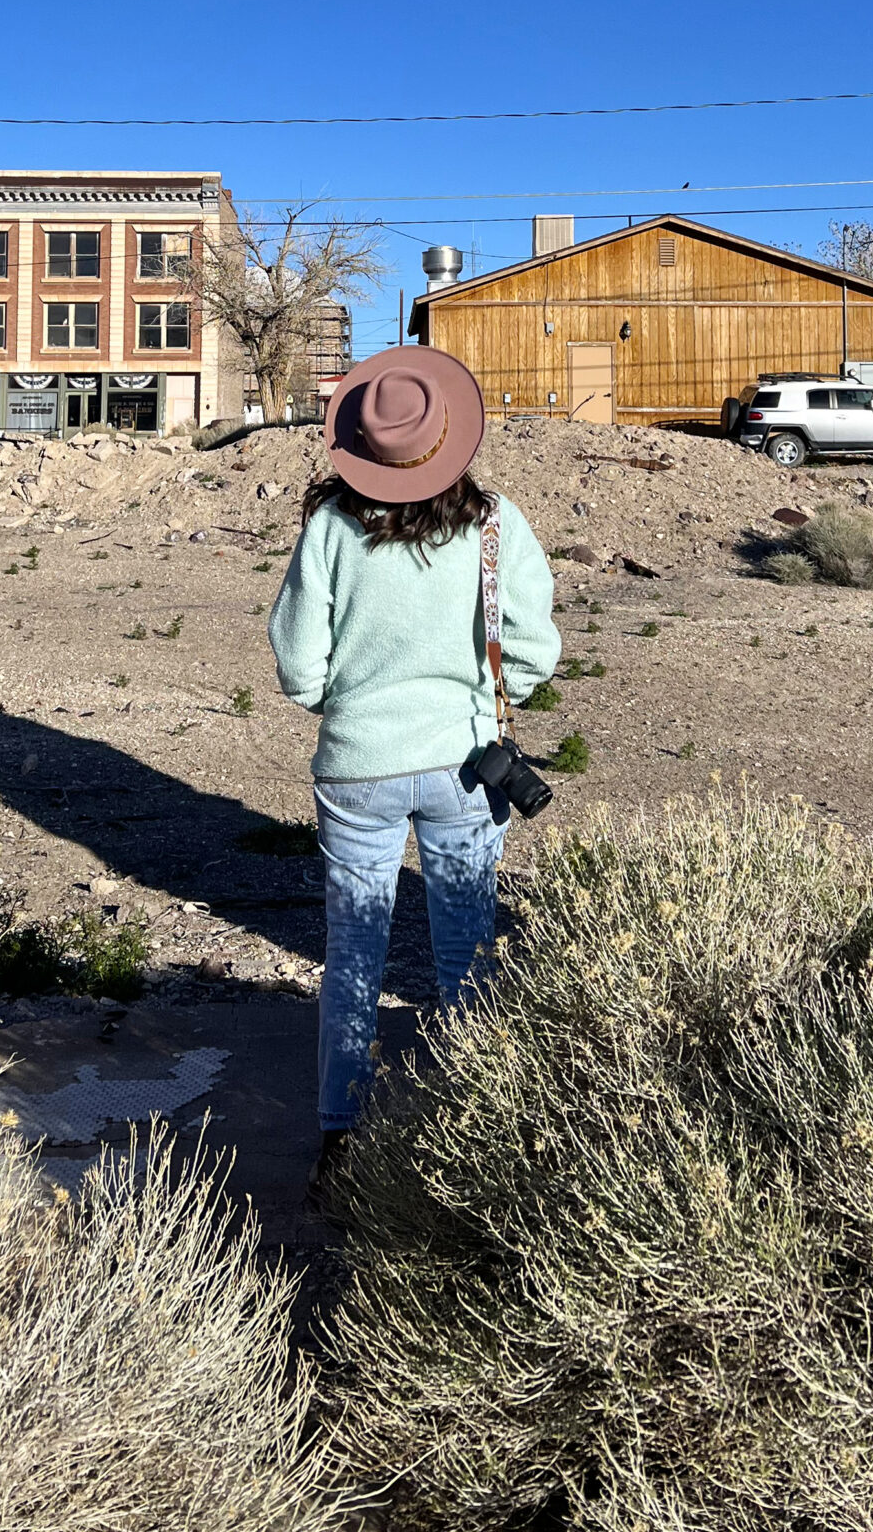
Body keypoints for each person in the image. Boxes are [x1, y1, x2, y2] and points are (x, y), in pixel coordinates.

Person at [268, 347, 560, 1185]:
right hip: (466, 763)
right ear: (450, 438)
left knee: (353, 952)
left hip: (357, 768)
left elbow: (298, 665)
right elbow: (535, 651)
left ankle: (341, 1139)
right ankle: (473, 1128)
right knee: (468, 952)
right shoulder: (497, 522)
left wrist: (348, 702)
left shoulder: (330, 528)